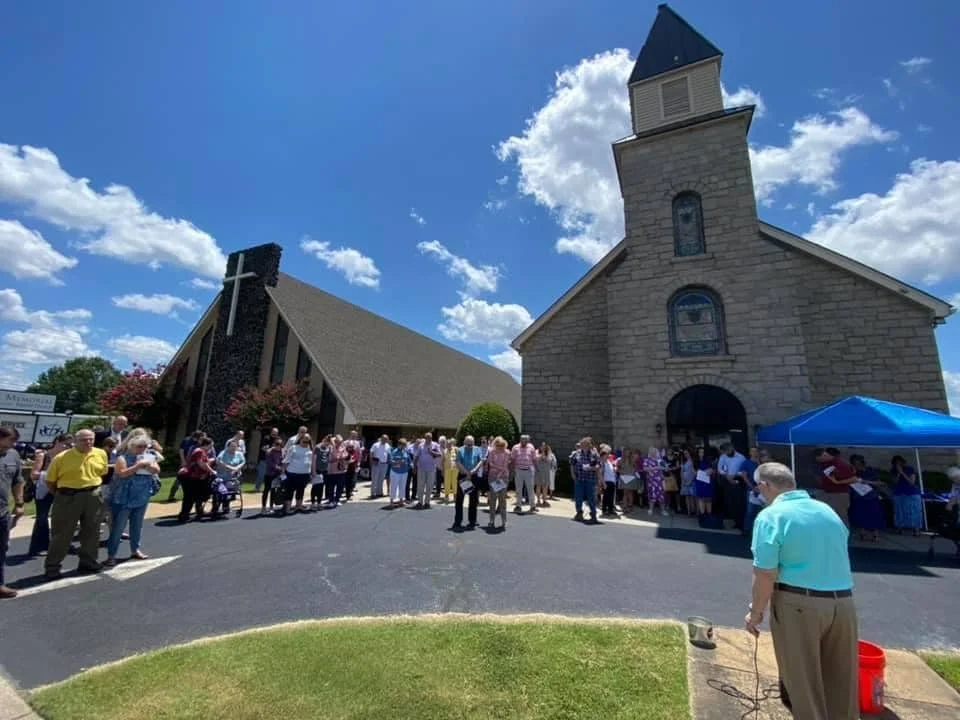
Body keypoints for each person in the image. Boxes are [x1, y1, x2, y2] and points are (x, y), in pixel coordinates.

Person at [745, 462, 858, 720]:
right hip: (843, 602)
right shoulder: (826, 510)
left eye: (758, 487)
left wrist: (756, 612)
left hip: (799, 603)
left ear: (765, 485)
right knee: (841, 681)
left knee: (803, 683)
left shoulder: (771, 516)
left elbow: (765, 573)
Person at [44, 429, 108, 579]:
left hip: (93, 495)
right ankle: (52, 567)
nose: (88, 442)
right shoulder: (62, 457)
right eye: (84, 440)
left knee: (92, 531)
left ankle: (88, 562)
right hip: (68, 497)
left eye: (91, 439)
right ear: (75, 441)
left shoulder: (100, 453)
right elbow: (50, 481)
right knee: (62, 534)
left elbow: (102, 473)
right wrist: (63, 494)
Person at [105, 434, 161, 566]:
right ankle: (111, 555)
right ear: (132, 446)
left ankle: (135, 550)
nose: (142, 449)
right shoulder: (122, 458)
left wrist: (146, 465)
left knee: (137, 525)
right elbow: (122, 473)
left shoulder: (149, 458)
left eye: (144, 446)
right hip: (123, 498)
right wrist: (138, 466)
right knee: (118, 528)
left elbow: (156, 470)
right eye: (139, 446)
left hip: (142, 496)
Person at [28, 433, 73, 557]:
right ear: (57, 441)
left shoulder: (67, 457)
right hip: (44, 489)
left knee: (63, 518)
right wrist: (51, 475)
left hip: (61, 488)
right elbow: (34, 474)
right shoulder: (43, 455)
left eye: (70, 445)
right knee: (42, 518)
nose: (67, 447)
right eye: (66, 444)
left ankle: (62, 545)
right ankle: (39, 547)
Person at [0, 426, 25, 598]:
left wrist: (19, 503)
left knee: (1, 549)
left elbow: (18, 481)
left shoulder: (13, 455)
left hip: (2, 512)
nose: (12, 445)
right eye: (10, 440)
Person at [177, 437, 215, 523]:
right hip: (188, 477)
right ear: (206, 445)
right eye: (210, 446)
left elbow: (205, 463)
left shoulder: (202, 452)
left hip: (195, 477)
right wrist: (212, 471)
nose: (211, 448)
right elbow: (201, 464)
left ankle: (196, 511)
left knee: (199, 494)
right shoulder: (199, 451)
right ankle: (184, 515)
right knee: (189, 496)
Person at [815, 447, 857, 526]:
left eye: (818, 459)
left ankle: (844, 536)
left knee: (840, 517)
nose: (817, 461)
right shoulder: (825, 464)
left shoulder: (840, 464)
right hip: (826, 493)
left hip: (838, 495)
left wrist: (838, 482)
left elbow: (854, 479)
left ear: (823, 455)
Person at [452, 435, 482, 530]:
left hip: (473, 476)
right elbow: (457, 462)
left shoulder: (477, 449)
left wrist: (473, 470)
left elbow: (480, 461)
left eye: (471, 444)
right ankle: (458, 521)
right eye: (468, 444)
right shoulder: (460, 450)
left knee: (473, 500)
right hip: (463, 476)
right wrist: (466, 472)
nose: (469, 446)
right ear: (464, 443)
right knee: (459, 500)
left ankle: (472, 521)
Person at [569, 437, 599, 523]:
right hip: (579, 479)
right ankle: (579, 513)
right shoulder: (576, 454)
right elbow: (572, 464)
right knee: (578, 497)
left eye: (586, 444)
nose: (584, 446)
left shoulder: (594, 454)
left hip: (590, 479)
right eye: (583, 444)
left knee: (591, 497)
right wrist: (573, 475)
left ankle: (593, 515)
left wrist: (591, 468)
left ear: (590, 445)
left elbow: (598, 466)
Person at [891, 454, 923, 535]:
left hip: (911, 493)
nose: (898, 464)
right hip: (899, 493)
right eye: (896, 463)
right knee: (899, 511)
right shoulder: (893, 470)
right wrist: (898, 473)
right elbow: (895, 482)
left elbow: (912, 482)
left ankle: (916, 529)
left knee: (914, 511)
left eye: (900, 462)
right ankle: (899, 528)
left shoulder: (910, 469)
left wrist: (902, 473)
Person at [283, 433, 314, 514]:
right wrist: (283, 472)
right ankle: (288, 508)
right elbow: (286, 460)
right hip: (292, 473)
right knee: (290, 491)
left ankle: (298, 506)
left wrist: (312, 472)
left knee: (301, 490)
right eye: (304, 441)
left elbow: (311, 462)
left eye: (307, 442)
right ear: (300, 440)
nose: (305, 443)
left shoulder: (310, 450)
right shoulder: (293, 448)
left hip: (304, 474)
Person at [213, 439, 245, 517]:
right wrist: (229, 467)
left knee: (230, 491)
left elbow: (243, 462)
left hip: (233, 476)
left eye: (235, 446)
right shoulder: (223, 453)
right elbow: (218, 461)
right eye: (232, 446)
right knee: (221, 490)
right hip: (222, 475)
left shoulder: (239, 454)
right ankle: (215, 507)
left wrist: (237, 468)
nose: (234, 448)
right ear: (228, 447)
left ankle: (226, 506)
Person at [485, 436, 510, 531]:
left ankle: (504, 521)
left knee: (502, 500)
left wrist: (499, 473)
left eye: (502, 446)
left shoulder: (507, 452)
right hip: (493, 477)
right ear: (495, 445)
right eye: (498, 445)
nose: (500, 447)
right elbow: (490, 463)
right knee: (493, 499)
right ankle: (492, 520)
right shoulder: (491, 452)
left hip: (503, 477)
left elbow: (505, 465)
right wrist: (498, 471)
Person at [413, 433, 441, 509]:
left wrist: (431, 452)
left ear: (432, 438)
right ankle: (420, 502)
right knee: (420, 486)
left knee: (429, 486)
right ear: (425, 438)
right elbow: (416, 457)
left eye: (430, 438)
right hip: (421, 469)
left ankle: (427, 502)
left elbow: (439, 454)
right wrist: (414, 467)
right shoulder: (420, 445)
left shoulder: (435, 445)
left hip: (431, 469)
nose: (428, 439)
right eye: (427, 438)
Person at [510, 434, 537, 513]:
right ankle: (518, 506)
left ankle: (532, 506)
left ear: (528, 441)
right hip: (518, 470)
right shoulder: (515, 447)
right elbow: (512, 459)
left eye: (525, 440)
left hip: (529, 470)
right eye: (522, 440)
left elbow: (534, 459)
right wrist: (512, 470)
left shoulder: (531, 447)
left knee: (530, 489)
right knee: (518, 489)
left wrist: (536, 469)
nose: (523, 441)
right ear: (520, 440)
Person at [533, 442, 555, 508]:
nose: (543, 447)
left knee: (545, 487)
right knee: (538, 486)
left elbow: (549, 460)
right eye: (542, 446)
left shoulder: (549, 453)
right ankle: (538, 500)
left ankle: (544, 500)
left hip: (546, 472)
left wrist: (544, 457)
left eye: (544, 446)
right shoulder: (536, 451)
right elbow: (536, 459)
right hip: (538, 472)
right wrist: (541, 455)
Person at [388, 439, 409, 506]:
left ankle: (401, 501)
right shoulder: (394, 451)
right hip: (395, 472)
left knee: (402, 486)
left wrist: (410, 465)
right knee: (394, 486)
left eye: (405, 445)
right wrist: (399, 462)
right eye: (403, 445)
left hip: (404, 472)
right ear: (399, 445)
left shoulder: (405, 451)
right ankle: (391, 501)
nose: (404, 447)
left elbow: (408, 460)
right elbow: (391, 461)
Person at [369, 434, 391, 499]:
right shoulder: (375, 445)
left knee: (381, 479)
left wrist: (388, 462)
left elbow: (389, 454)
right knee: (374, 479)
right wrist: (371, 462)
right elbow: (371, 453)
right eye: (384, 438)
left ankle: (379, 493)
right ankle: (373, 493)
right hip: (376, 463)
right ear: (381, 438)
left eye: (386, 439)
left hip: (384, 464)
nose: (385, 440)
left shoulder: (388, 445)